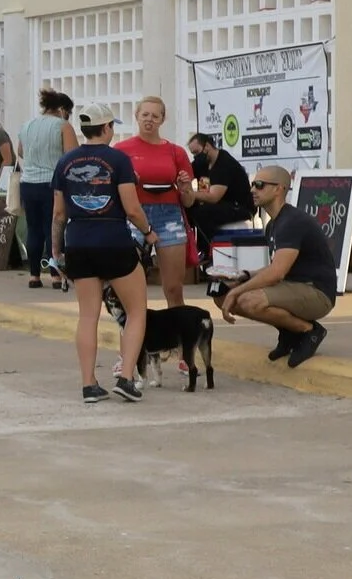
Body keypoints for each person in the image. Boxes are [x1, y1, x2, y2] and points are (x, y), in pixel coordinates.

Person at [50, 102, 151, 405]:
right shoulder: (118, 160)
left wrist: (57, 252)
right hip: (113, 240)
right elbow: (132, 209)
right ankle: (126, 377)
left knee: (88, 316)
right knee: (136, 310)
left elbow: (58, 214)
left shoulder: (65, 162)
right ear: (107, 128)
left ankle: (88, 384)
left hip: (78, 240)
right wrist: (148, 231)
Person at [217, 165, 338, 366]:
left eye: (260, 185)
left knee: (248, 300)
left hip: (316, 292)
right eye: (253, 185)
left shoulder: (292, 221)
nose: (253, 190)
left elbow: (277, 273)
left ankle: (309, 331)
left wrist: (237, 292)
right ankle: (288, 332)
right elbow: (274, 267)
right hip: (293, 287)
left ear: (279, 189)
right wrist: (244, 276)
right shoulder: (273, 224)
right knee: (221, 295)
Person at [116, 97, 196, 310]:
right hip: (134, 213)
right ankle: (135, 334)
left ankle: (178, 336)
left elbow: (188, 201)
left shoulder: (176, 152)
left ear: (162, 119)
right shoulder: (121, 150)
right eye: (145, 115)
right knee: (130, 285)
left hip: (169, 214)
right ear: (137, 117)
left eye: (155, 116)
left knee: (174, 287)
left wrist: (185, 188)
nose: (149, 120)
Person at [18, 91, 79, 291]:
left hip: (28, 183)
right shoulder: (62, 126)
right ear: (62, 109)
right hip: (52, 184)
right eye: (68, 112)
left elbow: (20, 152)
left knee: (33, 229)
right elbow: (72, 155)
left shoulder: (27, 125)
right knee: (54, 228)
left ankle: (34, 275)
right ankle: (55, 275)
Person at [186, 133, 256, 267]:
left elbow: (213, 197)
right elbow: (186, 175)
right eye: (193, 154)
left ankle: (210, 252)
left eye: (197, 152)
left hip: (239, 207)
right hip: (219, 205)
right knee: (187, 209)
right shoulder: (202, 163)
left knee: (203, 212)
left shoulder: (224, 163)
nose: (195, 157)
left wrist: (191, 194)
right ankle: (192, 250)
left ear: (207, 146)